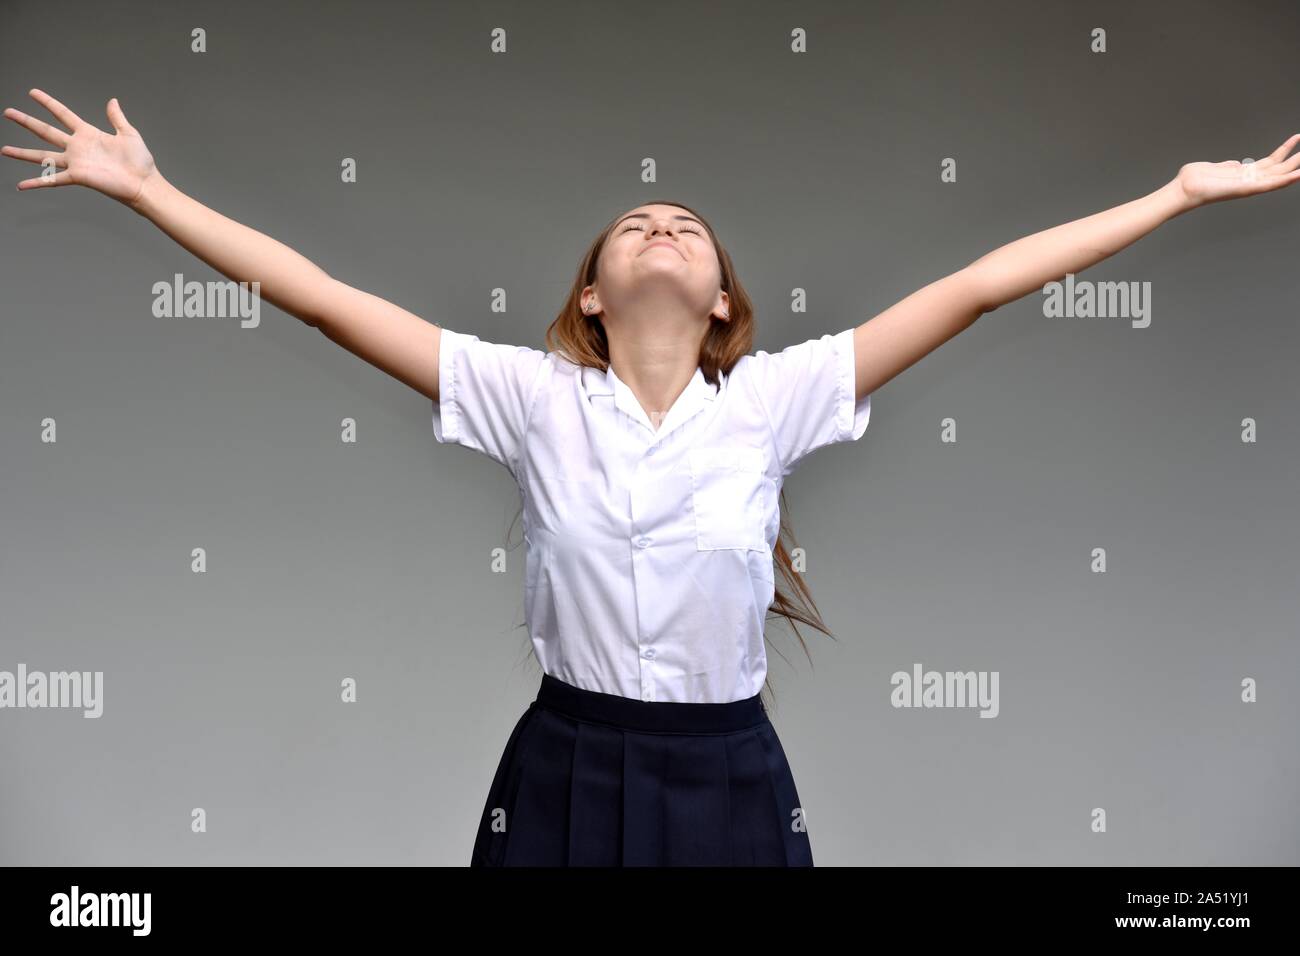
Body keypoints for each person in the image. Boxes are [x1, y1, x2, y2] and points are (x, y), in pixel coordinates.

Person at [6, 89, 1297, 866]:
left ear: (723, 296)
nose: (662, 227)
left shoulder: (777, 399)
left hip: (731, 772)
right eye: (635, 225)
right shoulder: (530, 396)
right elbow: (324, 299)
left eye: (686, 226)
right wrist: (152, 193)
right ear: (591, 294)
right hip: (565, 765)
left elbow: (978, 285)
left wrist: (1177, 194)